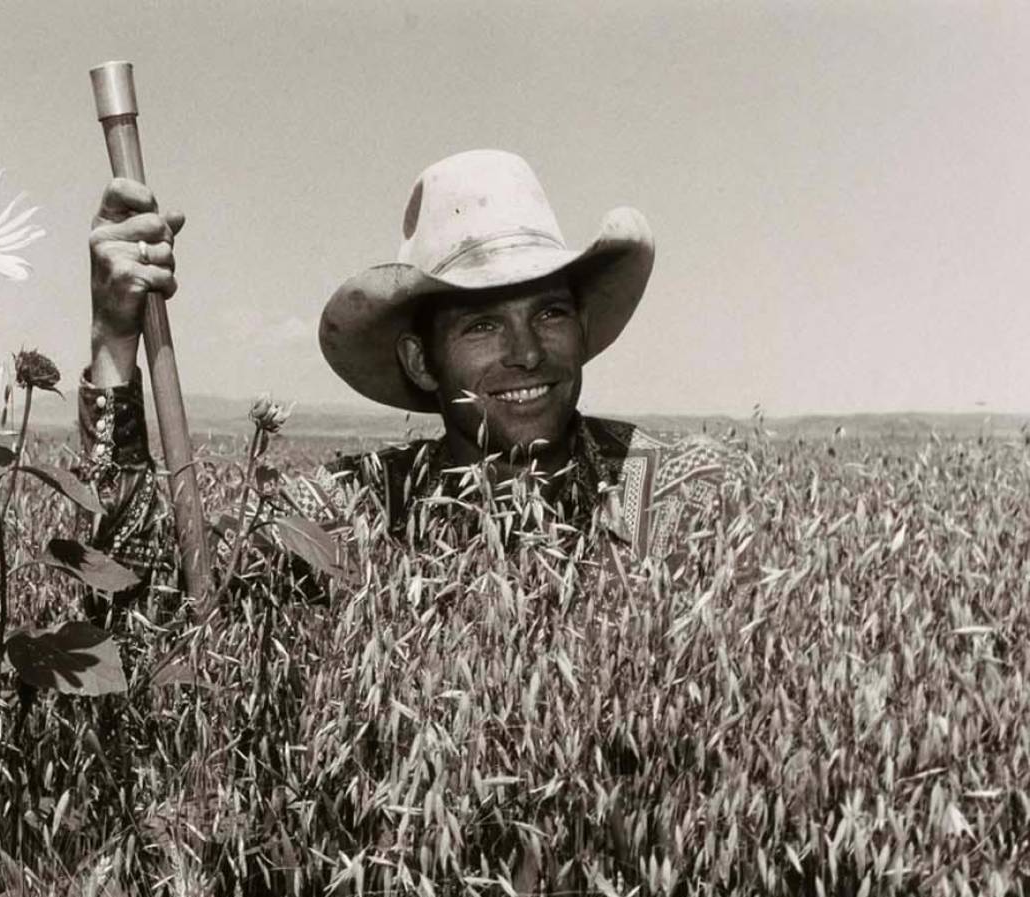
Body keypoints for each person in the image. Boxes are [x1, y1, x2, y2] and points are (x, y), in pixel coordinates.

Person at [75, 149, 750, 586]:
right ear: (420, 362)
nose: (526, 353)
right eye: (482, 324)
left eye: (548, 313)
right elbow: (146, 604)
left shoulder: (674, 491)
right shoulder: (349, 512)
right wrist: (114, 339)